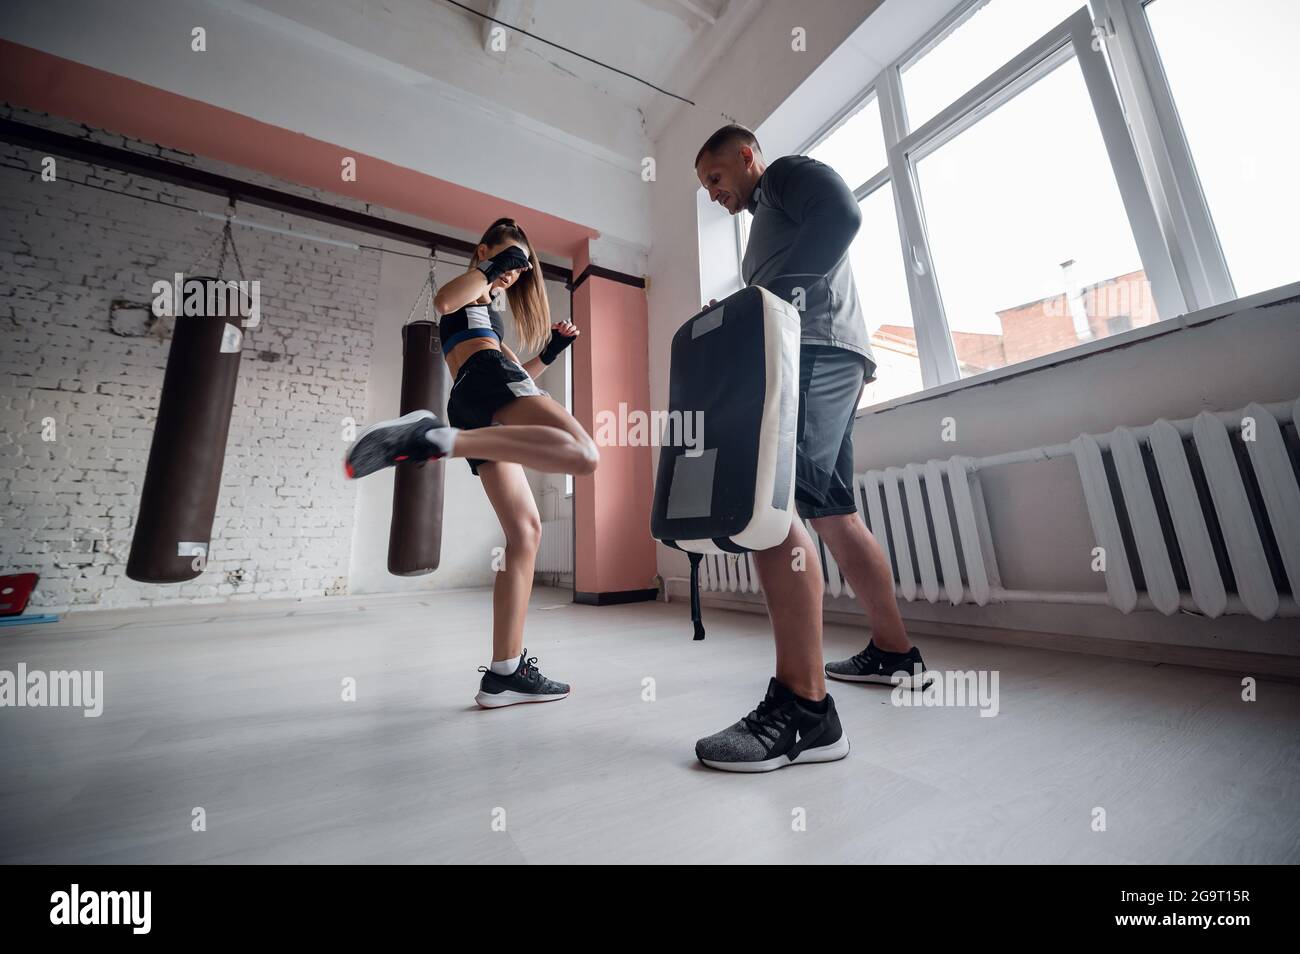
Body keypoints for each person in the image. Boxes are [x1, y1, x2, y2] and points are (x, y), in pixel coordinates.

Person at [691, 125, 931, 772]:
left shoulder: (787, 175)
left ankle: (805, 708)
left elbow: (843, 215)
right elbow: (782, 279)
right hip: (820, 350)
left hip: (819, 348)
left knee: (771, 494)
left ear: (746, 156)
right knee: (831, 512)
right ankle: (893, 654)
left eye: (715, 178)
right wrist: (749, 305)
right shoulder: (765, 214)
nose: (713, 194)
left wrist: (779, 301)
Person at [345, 217, 598, 708]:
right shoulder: (468, 289)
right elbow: (444, 301)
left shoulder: (485, 308)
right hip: (483, 388)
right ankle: (438, 441)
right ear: (485, 251)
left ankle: (504, 672)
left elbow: (516, 371)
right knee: (585, 455)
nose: (512, 274)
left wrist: (551, 351)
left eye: (520, 269)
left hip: (476, 396)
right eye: (507, 261)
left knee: (525, 534)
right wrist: (495, 268)